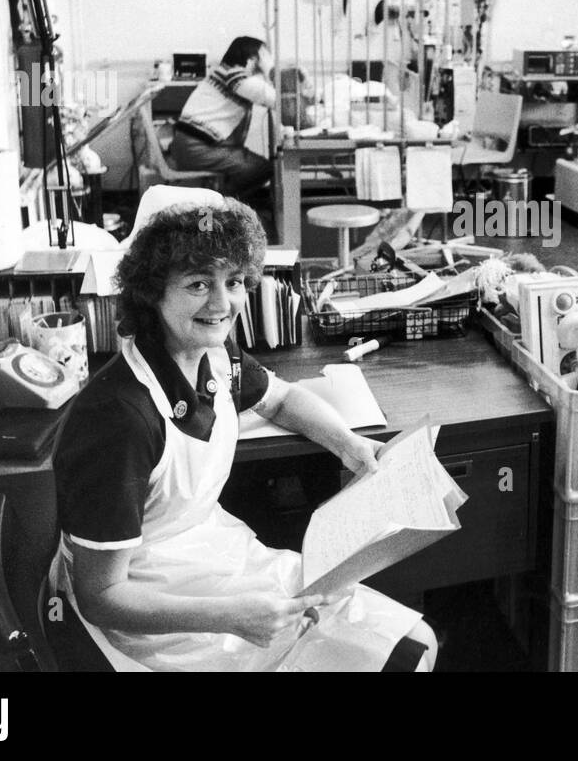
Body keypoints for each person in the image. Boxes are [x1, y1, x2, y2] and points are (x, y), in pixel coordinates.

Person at [49, 192, 437, 671]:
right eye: (197, 284)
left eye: (233, 281)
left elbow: (281, 398)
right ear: (151, 291)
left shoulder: (215, 355)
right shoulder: (117, 418)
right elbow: (101, 596)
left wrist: (349, 445)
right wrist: (232, 617)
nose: (222, 302)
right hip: (150, 607)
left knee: (415, 644)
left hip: (213, 555)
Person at [170, 36, 278, 198]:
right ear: (252, 58)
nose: (267, 59)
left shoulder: (225, 72)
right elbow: (275, 100)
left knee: (255, 165)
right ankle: (218, 205)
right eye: (264, 55)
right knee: (263, 168)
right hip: (197, 148)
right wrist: (270, 70)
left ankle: (220, 204)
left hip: (192, 145)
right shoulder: (235, 76)